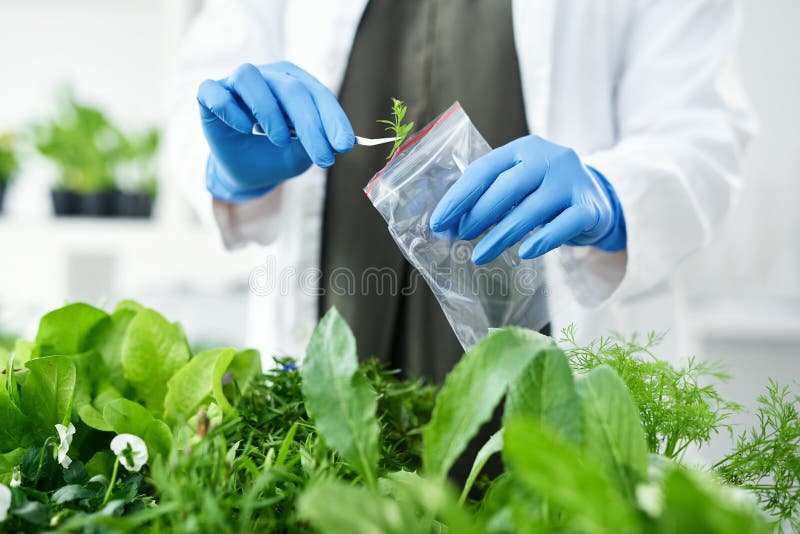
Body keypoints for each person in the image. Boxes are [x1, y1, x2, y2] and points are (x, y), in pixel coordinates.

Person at [165, 0, 754, 377]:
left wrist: (612, 195)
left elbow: (700, 132)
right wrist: (231, 170)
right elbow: (206, 80)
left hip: (556, 355)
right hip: (335, 335)